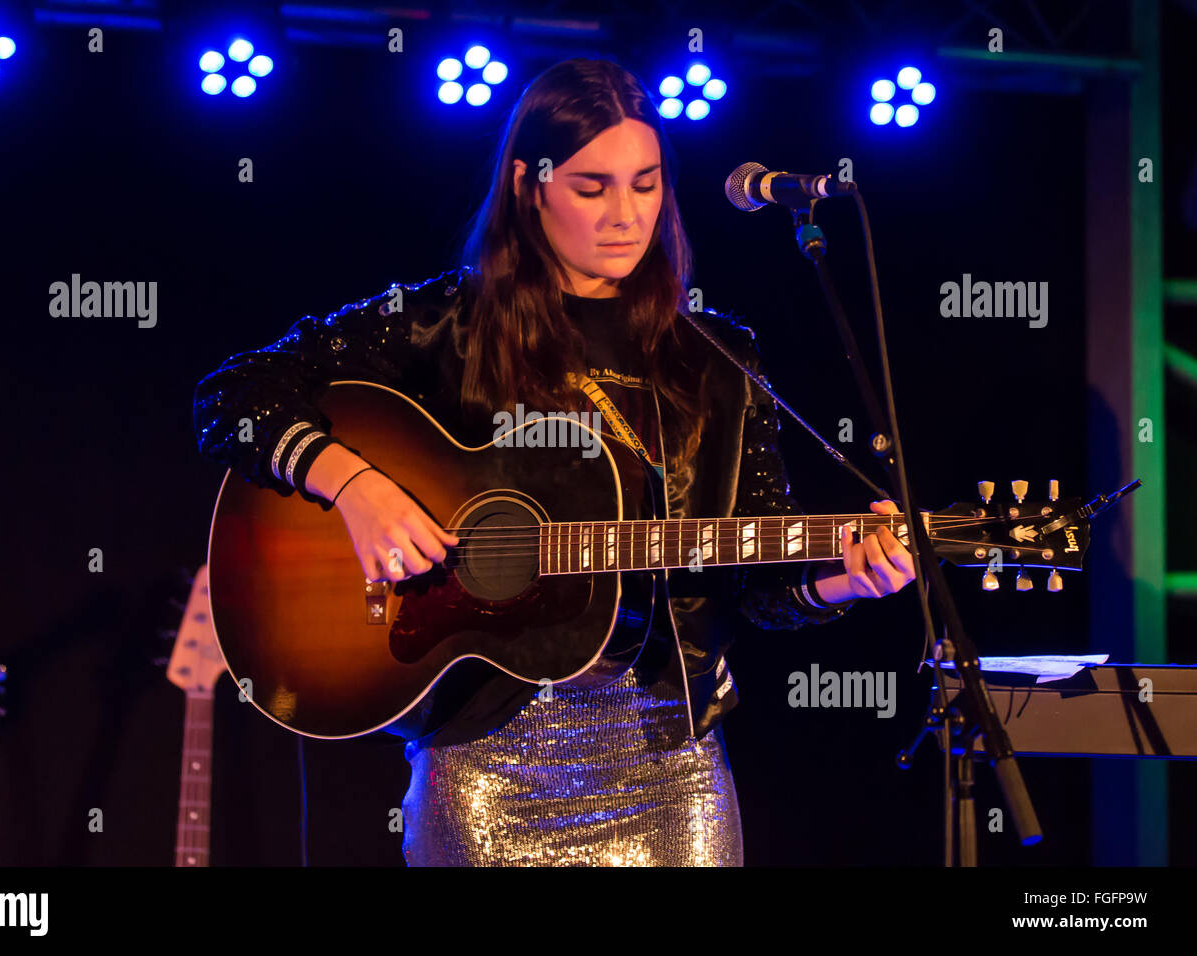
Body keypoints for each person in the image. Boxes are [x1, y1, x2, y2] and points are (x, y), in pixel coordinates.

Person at [192, 58, 915, 866]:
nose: (626, 215)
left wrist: (844, 580)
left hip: (668, 760)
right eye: (591, 186)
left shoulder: (718, 357)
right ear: (527, 184)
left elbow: (752, 582)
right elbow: (235, 394)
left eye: (646, 184)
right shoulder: (448, 326)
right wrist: (355, 485)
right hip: (486, 759)